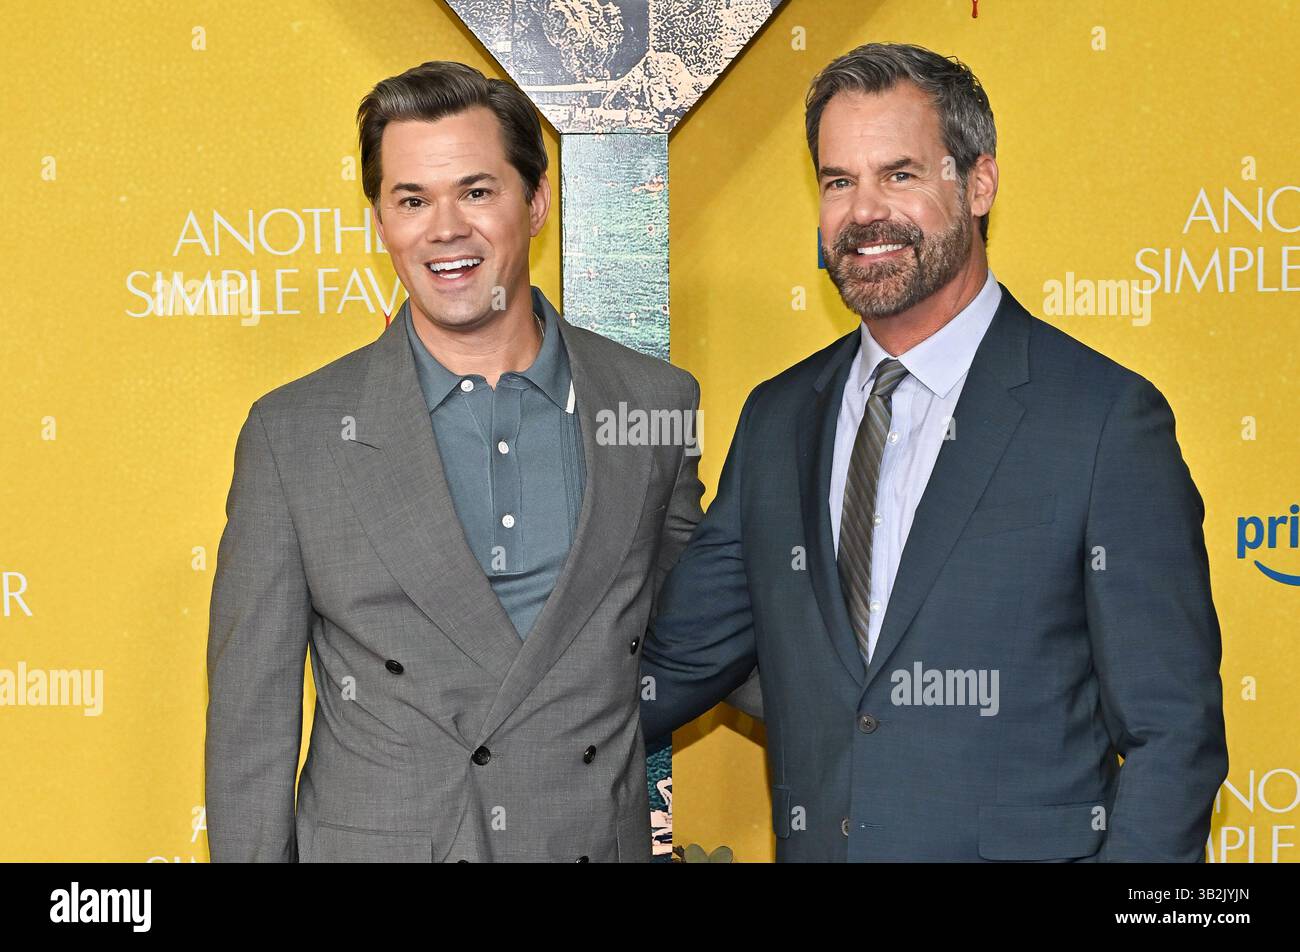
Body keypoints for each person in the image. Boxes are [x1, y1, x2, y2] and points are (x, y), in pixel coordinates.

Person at [639, 42, 1227, 862]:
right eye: (839, 180)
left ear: (978, 183)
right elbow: (676, 658)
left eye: (900, 174)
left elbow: (1173, 736)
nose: (864, 211)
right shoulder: (779, 419)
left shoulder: (1102, 421)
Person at [205, 61, 703, 862]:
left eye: (476, 191)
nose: (444, 230)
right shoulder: (293, 434)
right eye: (411, 200)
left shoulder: (652, 404)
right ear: (379, 223)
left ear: (536, 202)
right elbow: (250, 727)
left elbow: (708, 629)